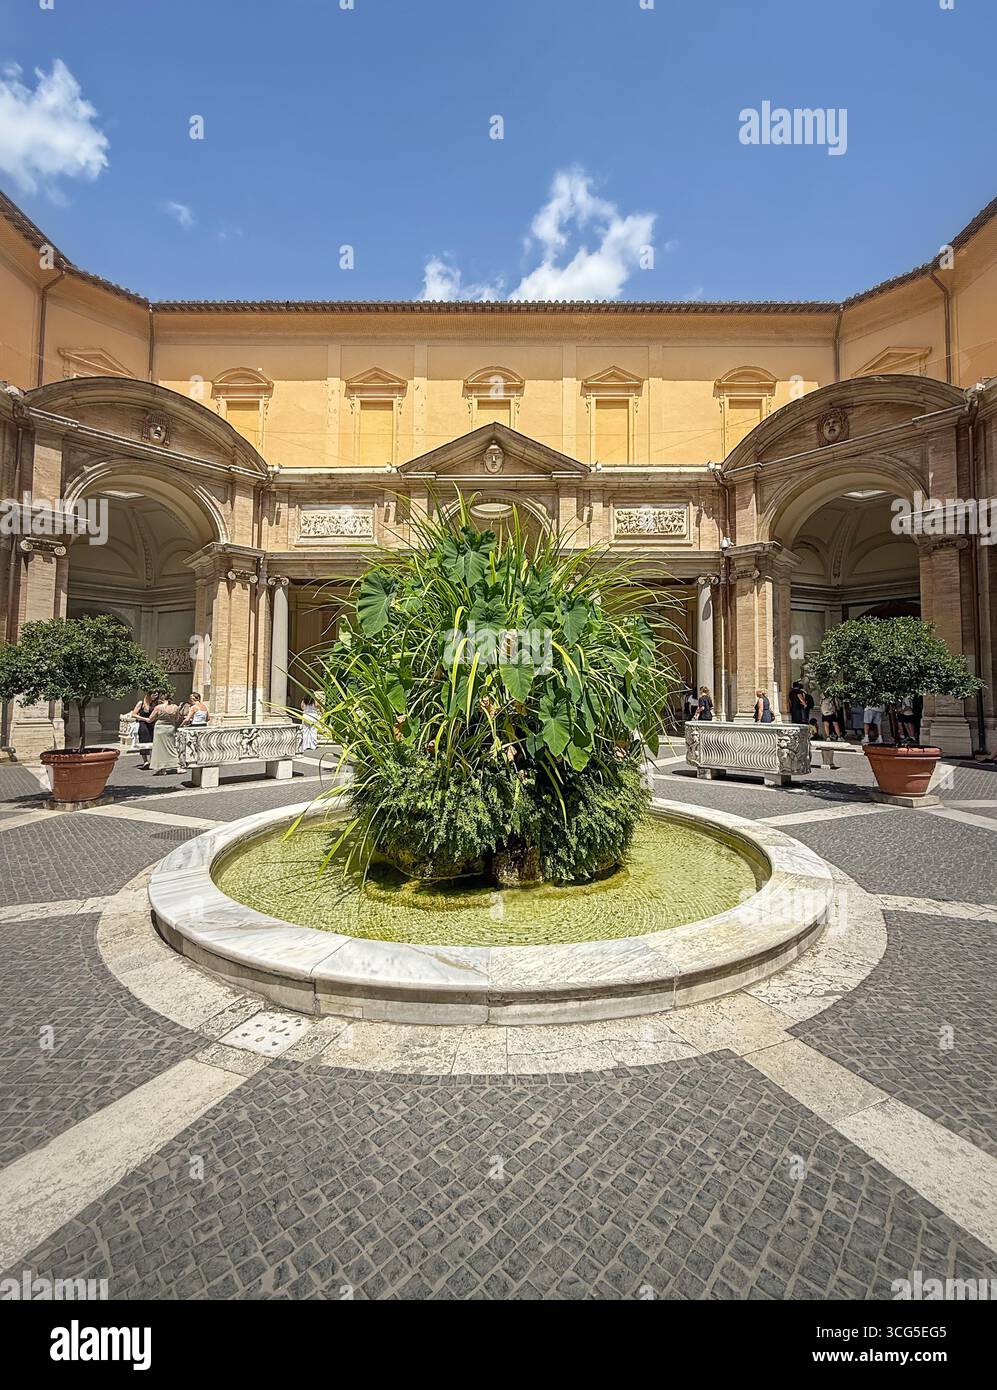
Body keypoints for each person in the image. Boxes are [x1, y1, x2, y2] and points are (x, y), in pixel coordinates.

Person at [149, 696, 182, 775]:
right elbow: (177, 719)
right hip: (170, 728)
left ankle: (162, 769)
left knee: (160, 749)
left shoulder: (158, 707)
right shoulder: (176, 707)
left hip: (160, 729)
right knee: (172, 747)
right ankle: (178, 767)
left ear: (162, 699)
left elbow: (151, 718)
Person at [131, 690, 158, 770]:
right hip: (143, 724)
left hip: (152, 724)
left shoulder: (155, 704)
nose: (155, 697)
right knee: (144, 741)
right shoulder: (141, 703)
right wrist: (145, 719)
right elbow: (134, 714)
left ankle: (152, 760)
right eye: (154, 695)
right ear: (149, 695)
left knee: (152, 742)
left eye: (157, 695)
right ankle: (145, 761)